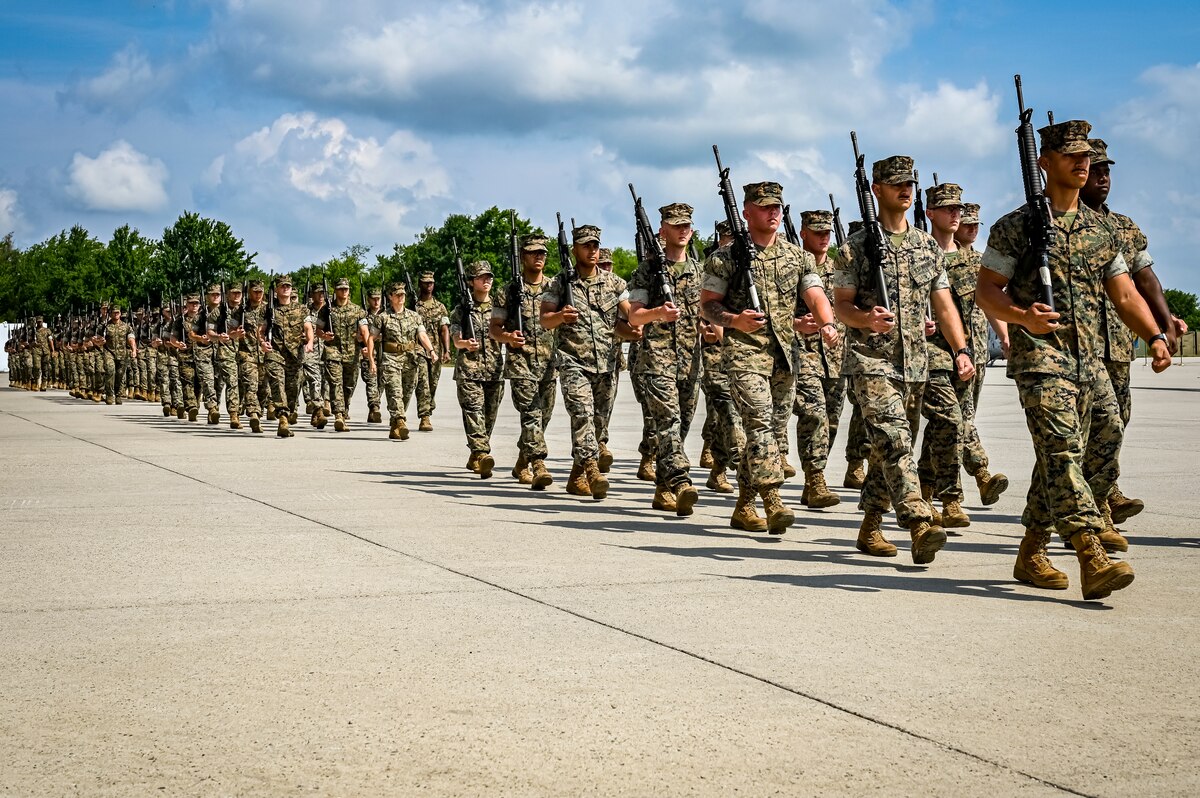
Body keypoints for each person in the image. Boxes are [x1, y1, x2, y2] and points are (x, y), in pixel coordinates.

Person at [977, 119, 1171, 601]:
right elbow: (986, 292)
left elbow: (1124, 294)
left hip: (1092, 361)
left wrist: (1154, 335)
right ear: (1045, 162)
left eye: (1086, 155)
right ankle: (1090, 552)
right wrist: (1023, 316)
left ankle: (1031, 549)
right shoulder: (1017, 226)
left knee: (1104, 437)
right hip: (1041, 360)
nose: (1083, 163)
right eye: (1072, 155)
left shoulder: (1100, 229)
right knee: (1062, 450)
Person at [832, 155, 975, 562]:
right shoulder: (855, 248)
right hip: (870, 360)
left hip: (914, 363)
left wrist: (961, 349)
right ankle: (919, 522)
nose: (905, 190)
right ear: (877, 190)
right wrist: (866, 318)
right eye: (896, 184)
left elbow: (943, 303)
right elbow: (841, 305)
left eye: (909, 183)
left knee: (890, 448)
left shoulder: (926, 246)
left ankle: (870, 525)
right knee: (894, 440)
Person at [700, 181, 839, 534]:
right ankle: (773, 500)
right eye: (764, 207)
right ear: (747, 212)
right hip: (745, 353)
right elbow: (708, 306)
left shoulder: (797, 256)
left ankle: (744, 505)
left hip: (785, 355)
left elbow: (815, 293)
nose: (773, 212)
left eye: (776, 206)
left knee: (772, 433)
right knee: (759, 423)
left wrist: (826, 323)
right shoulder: (724, 258)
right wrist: (735, 320)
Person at [1080, 137, 1185, 545]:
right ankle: (1091, 508)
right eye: (1096, 170)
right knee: (1088, 427)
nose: (1103, 177)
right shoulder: (1053, 223)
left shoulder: (1123, 226)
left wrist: (1165, 322)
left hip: (1118, 345)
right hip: (1080, 345)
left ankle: (1103, 492)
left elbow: (1145, 278)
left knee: (1115, 422)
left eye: (1107, 170)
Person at [540, 224, 630, 500]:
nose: (592, 250)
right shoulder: (559, 283)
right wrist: (560, 317)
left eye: (595, 245)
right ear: (574, 250)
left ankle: (576, 475)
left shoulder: (615, 283)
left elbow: (628, 315)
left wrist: (642, 323)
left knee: (599, 422)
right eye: (586, 246)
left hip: (606, 363)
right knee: (582, 414)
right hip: (573, 362)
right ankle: (592, 469)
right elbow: (545, 320)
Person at [627, 202, 704, 515]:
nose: (683, 230)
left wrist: (711, 327)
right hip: (657, 359)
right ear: (663, 230)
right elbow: (634, 316)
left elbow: (708, 311)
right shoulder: (647, 271)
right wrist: (658, 312)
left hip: (691, 360)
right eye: (676, 225)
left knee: (681, 425)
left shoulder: (700, 271)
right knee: (668, 423)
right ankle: (681, 481)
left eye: (686, 225)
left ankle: (662, 488)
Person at [914, 182, 972, 529]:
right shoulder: (919, 253)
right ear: (930, 213)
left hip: (962, 354)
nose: (955, 214)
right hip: (927, 354)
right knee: (950, 420)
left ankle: (926, 489)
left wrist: (1002, 337)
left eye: (958, 208)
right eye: (948, 208)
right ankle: (951, 498)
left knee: (945, 428)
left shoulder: (971, 260)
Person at [490, 233, 558, 489]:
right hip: (521, 362)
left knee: (543, 417)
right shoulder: (507, 291)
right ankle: (538, 464)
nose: (539, 256)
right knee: (531, 414)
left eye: (542, 252)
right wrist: (508, 337)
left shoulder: (555, 288)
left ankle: (521, 462)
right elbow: (494, 329)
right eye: (533, 252)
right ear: (522, 257)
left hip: (549, 363)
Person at [953, 202, 1010, 504]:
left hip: (978, 354)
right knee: (961, 418)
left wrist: (1004, 336)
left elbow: (990, 306)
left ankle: (939, 485)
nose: (973, 229)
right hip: (950, 353)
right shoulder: (939, 258)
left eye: (977, 224)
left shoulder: (981, 262)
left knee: (964, 417)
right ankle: (981, 474)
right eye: (968, 224)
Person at [792, 209, 845, 508]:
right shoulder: (794, 267)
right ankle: (815, 480)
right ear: (804, 234)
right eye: (817, 232)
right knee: (813, 414)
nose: (824, 237)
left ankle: (813, 478)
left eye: (827, 232)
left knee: (832, 421)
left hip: (836, 356)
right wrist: (795, 324)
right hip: (803, 353)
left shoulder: (840, 269)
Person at [452, 260, 505, 477]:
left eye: (489, 276)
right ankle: (482, 454)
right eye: (482, 277)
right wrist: (464, 343)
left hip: (494, 370)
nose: (487, 280)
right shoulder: (462, 309)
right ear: (471, 281)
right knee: (474, 412)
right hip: (469, 369)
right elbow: (455, 337)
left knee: (489, 416)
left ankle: (476, 454)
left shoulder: (499, 308)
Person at [371, 282, 433, 440]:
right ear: (390, 297)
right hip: (390, 359)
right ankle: (400, 421)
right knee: (395, 392)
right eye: (397, 295)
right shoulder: (382, 317)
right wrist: (371, 359)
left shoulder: (414, 316)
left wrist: (431, 350)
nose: (400, 297)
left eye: (402, 294)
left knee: (406, 393)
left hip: (410, 360)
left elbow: (422, 335)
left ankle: (395, 425)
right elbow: (372, 338)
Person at [261, 275, 314, 438]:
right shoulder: (268, 309)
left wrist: (310, 342)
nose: (285, 288)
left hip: (295, 355)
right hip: (275, 353)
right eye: (282, 286)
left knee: (293, 389)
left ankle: (289, 412)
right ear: (276, 290)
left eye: (288, 286)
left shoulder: (302, 309)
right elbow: (261, 330)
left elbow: (308, 327)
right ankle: (282, 419)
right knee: (277, 383)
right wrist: (262, 343)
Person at [319, 277, 368, 432]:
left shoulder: (358, 310)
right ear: (335, 290)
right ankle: (338, 415)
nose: (344, 291)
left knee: (349, 385)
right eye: (341, 289)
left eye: (346, 289)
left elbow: (364, 330)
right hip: (332, 352)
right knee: (335, 384)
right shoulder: (327, 309)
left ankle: (344, 409)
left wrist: (365, 343)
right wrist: (324, 336)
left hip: (352, 353)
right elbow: (318, 329)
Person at [415, 272, 452, 432]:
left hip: (435, 351)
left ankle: (429, 405)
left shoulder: (440, 307)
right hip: (418, 350)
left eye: (431, 282)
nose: (429, 285)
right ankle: (425, 417)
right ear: (420, 284)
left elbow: (444, 329)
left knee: (433, 383)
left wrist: (447, 350)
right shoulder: (413, 305)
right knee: (422, 382)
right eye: (425, 282)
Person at [102, 305, 136, 405]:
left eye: (117, 312)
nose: (116, 314)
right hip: (109, 352)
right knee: (110, 371)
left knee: (120, 374)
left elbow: (131, 338)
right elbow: (99, 337)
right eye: (114, 312)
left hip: (122, 354)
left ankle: (118, 394)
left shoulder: (126, 326)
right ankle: (109, 394)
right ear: (110, 314)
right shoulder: (105, 326)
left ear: (120, 314)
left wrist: (134, 350)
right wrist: (100, 341)